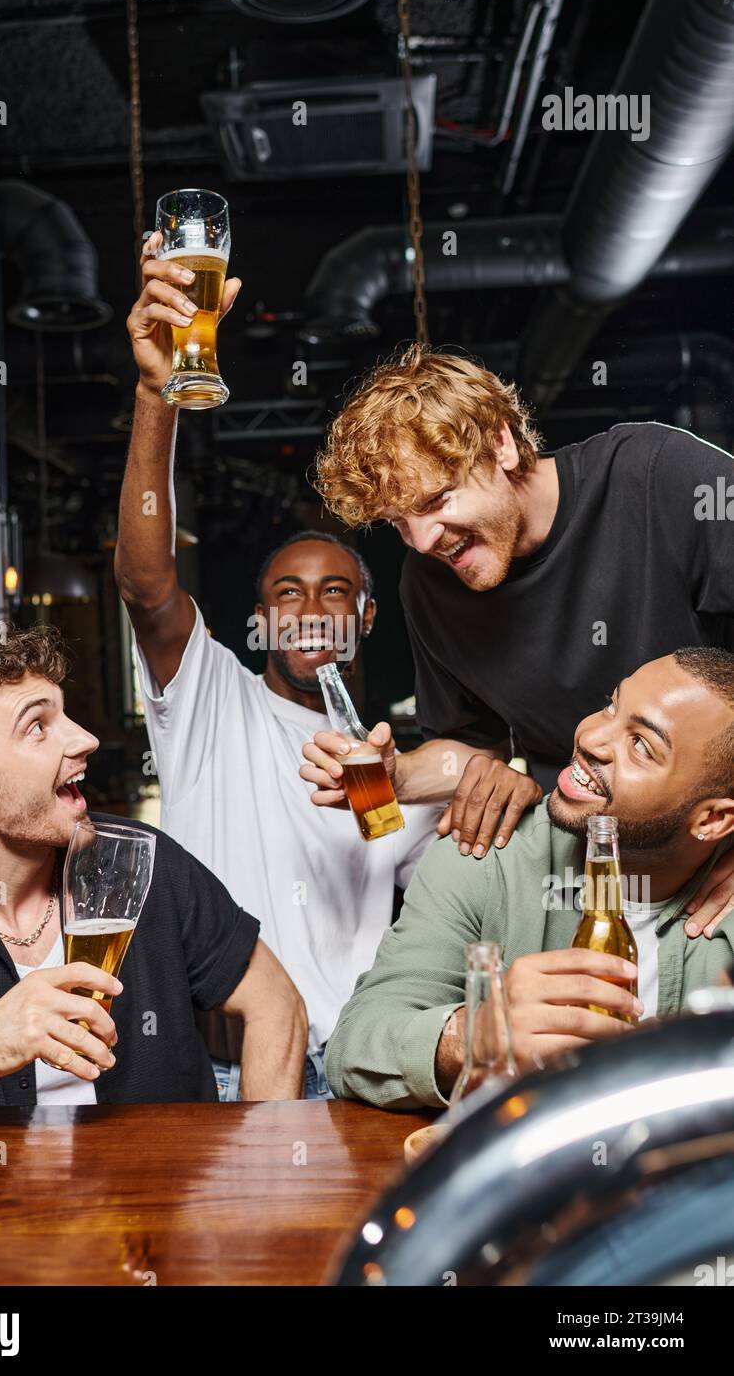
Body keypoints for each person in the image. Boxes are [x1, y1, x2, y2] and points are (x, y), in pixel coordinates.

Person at [117, 235, 440, 1100]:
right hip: (222, 1070)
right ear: (260, 621)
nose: (310, 609)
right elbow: (147, 586)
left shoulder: (394, 765)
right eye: (287, 595)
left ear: (365, 618)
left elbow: (447, 906)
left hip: (361, 1072)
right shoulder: (212, 701)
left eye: (335, 591)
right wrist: (158, 396)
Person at [303, 344, 734, 939]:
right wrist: (397, 775)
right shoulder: (428, 585)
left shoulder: (655, 474)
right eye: (399, 521)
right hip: (595, 879)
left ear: (501, 444)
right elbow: (470, 748)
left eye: (436, 501)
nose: (424, 539)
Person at [0, 624, 307, 1113]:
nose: (86, 739)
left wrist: (269, 1163)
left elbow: (276, 1004)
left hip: (161, 1189)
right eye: (37, 725)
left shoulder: (140, 862)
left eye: (64, 714)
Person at [325, 648, 734, 1110]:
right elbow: (354, 1046)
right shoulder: (485, 853)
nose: (592, 738)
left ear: (715, 820)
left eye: (641, 745)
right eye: (610, 705)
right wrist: (473, 1037)